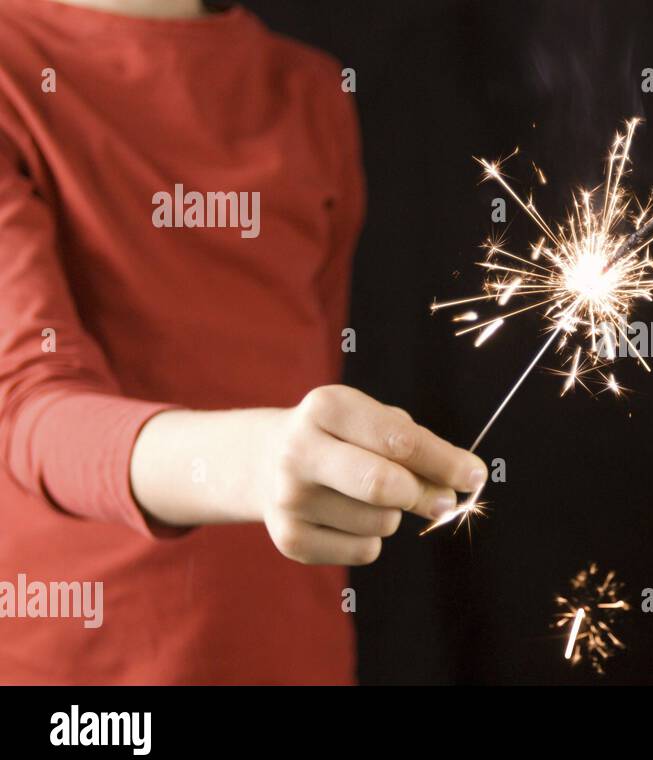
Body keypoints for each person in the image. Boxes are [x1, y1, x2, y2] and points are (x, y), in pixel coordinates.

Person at [0, 0, 485, 683]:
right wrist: (252, 464)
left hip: (294, 656)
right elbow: (27, 403)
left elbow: (314, 385)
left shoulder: (311, 91)